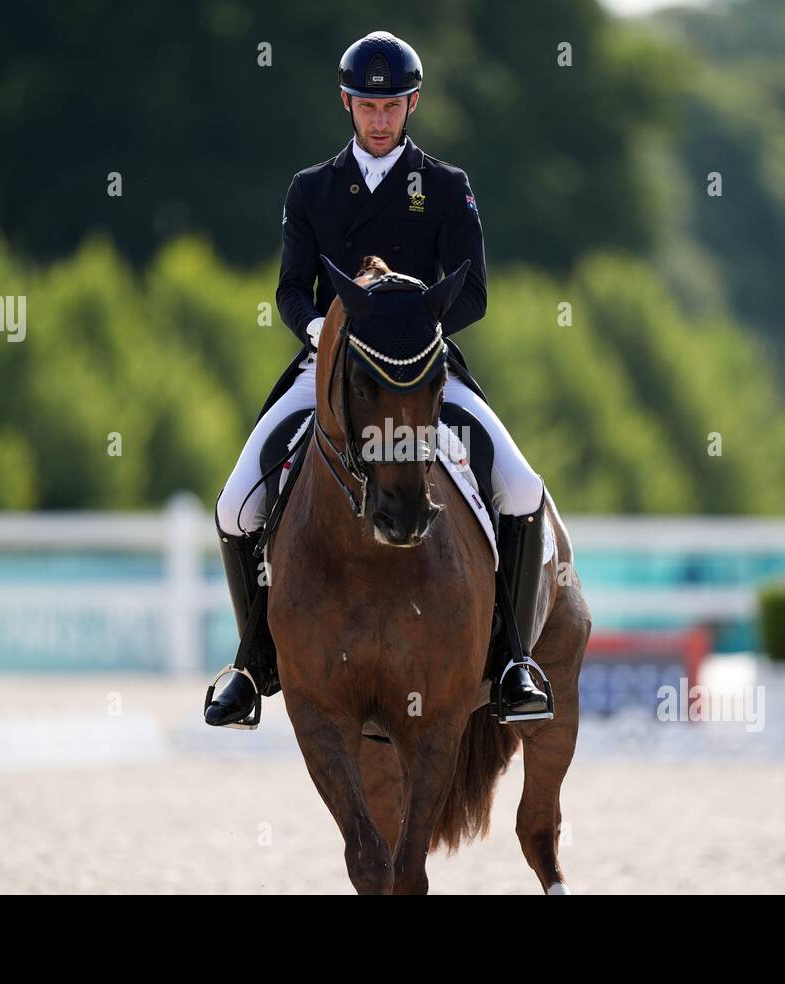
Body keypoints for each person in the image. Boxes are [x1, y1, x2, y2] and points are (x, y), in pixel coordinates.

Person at [206, 30, 551, 728]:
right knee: (235, 504)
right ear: (347, 104)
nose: (380, 117)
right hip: (330, 372)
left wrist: (410, 320)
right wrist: (322, 335)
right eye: (367, 104)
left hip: (424, 372)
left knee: (520, 487)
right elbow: (290, 292)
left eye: (392, 105)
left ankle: (512, 659)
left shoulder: (448, 188)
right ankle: (253, 661)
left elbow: (475, 293)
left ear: (412, 104)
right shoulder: (312, 190)